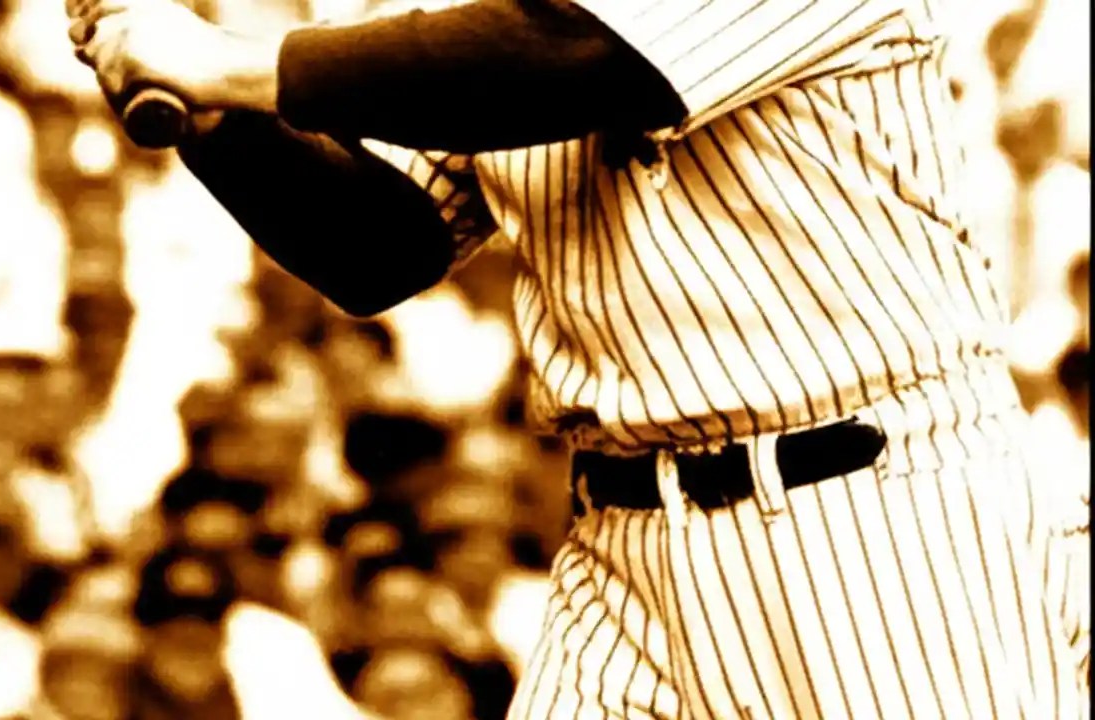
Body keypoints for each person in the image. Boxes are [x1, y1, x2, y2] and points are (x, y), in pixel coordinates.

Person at [69, 0, 1091, 717]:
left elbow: (576, 58)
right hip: (623, 541)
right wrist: (208, 117)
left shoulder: (541, 40)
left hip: (877, 522)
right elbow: (378, 248)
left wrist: (229, 61)